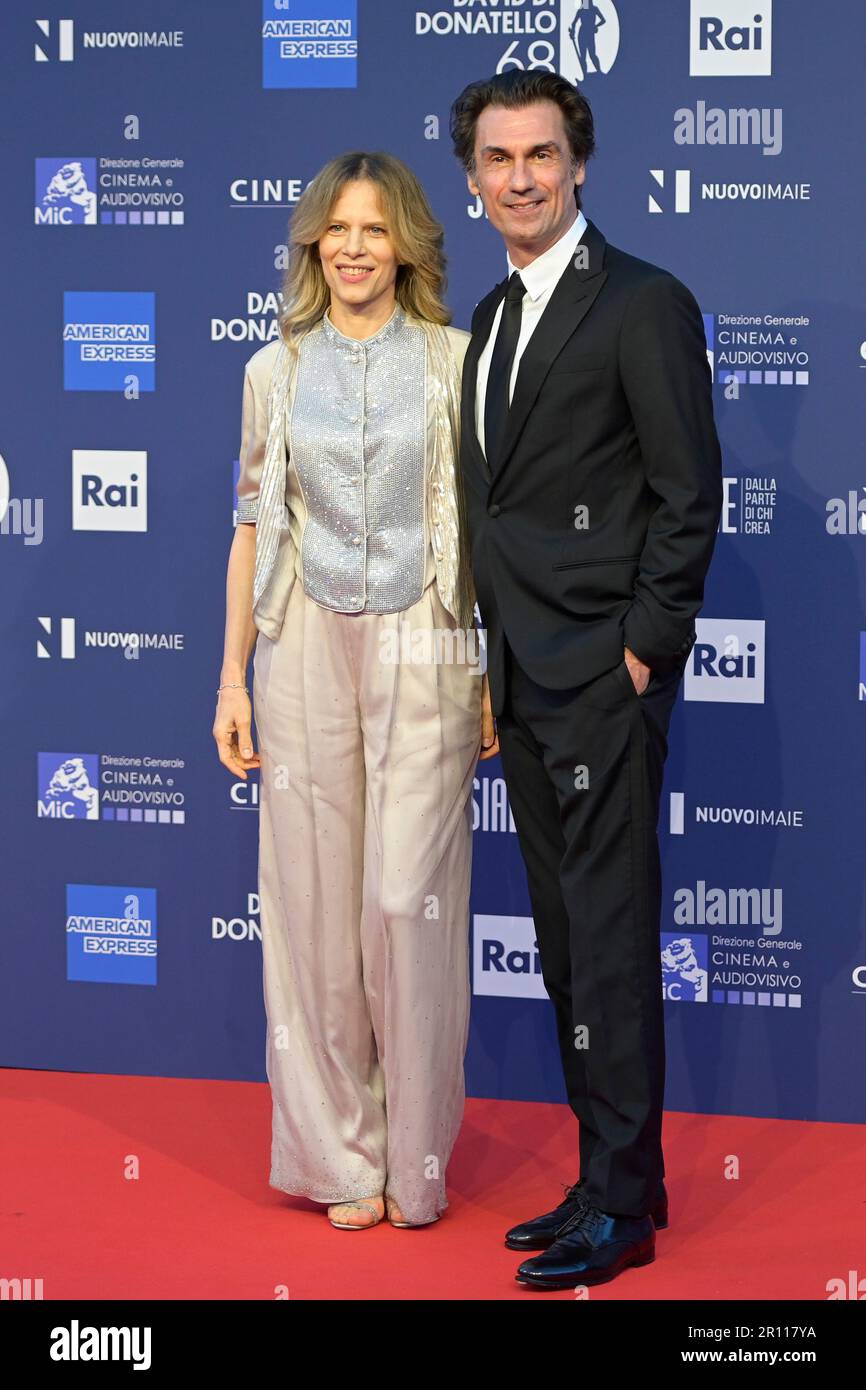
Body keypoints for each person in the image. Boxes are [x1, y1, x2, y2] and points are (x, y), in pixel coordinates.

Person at [450, 70, 723, 1288]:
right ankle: (599, 1182)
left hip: (603, 684)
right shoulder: (492, 315)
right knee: (568, 949)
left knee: (608, 948)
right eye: (499, 159)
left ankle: (625, 1208)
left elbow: (685, 494)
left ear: (579, 164)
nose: (520, 177)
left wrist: (642, 649)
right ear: (471, 182)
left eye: (541, 155)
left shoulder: (642, 303)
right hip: (524, 681)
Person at [213, 151, 497, 1231]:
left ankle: (416, 1158)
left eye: (374, 229)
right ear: (310, 245)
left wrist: (487, 672)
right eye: (335, 228)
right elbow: (247, 527)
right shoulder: (270, 371)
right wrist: (230, 675)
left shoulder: (454, 361)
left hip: (425, 637)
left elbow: (490, 532)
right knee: (314, 916)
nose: (353, 247)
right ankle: (343, 1159)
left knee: (402, 904)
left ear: (408, 244)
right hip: (301, 645)